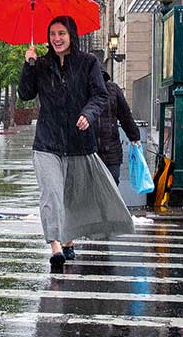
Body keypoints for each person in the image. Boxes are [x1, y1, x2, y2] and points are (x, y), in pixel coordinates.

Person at [19, 16, 133, 268]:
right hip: (47, 143)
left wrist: (88, 114)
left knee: (73, 196)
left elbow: (100, 95)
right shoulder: (42, 64)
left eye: (61, 33)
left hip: (79, 143)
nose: (56, 39)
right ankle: (56, 246)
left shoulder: (88, 63)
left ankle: (69, 240)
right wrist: (29, 64)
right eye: (52, 34)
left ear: (71, 35)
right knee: (51, 193)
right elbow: (25, 94)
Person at [95, 71, 142, 185]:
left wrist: (134, 136)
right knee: (92, 186)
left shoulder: (113, 89)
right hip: (89, 149)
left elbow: (125, 114)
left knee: (112, 182)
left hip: (111, 148)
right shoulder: (81, 89)